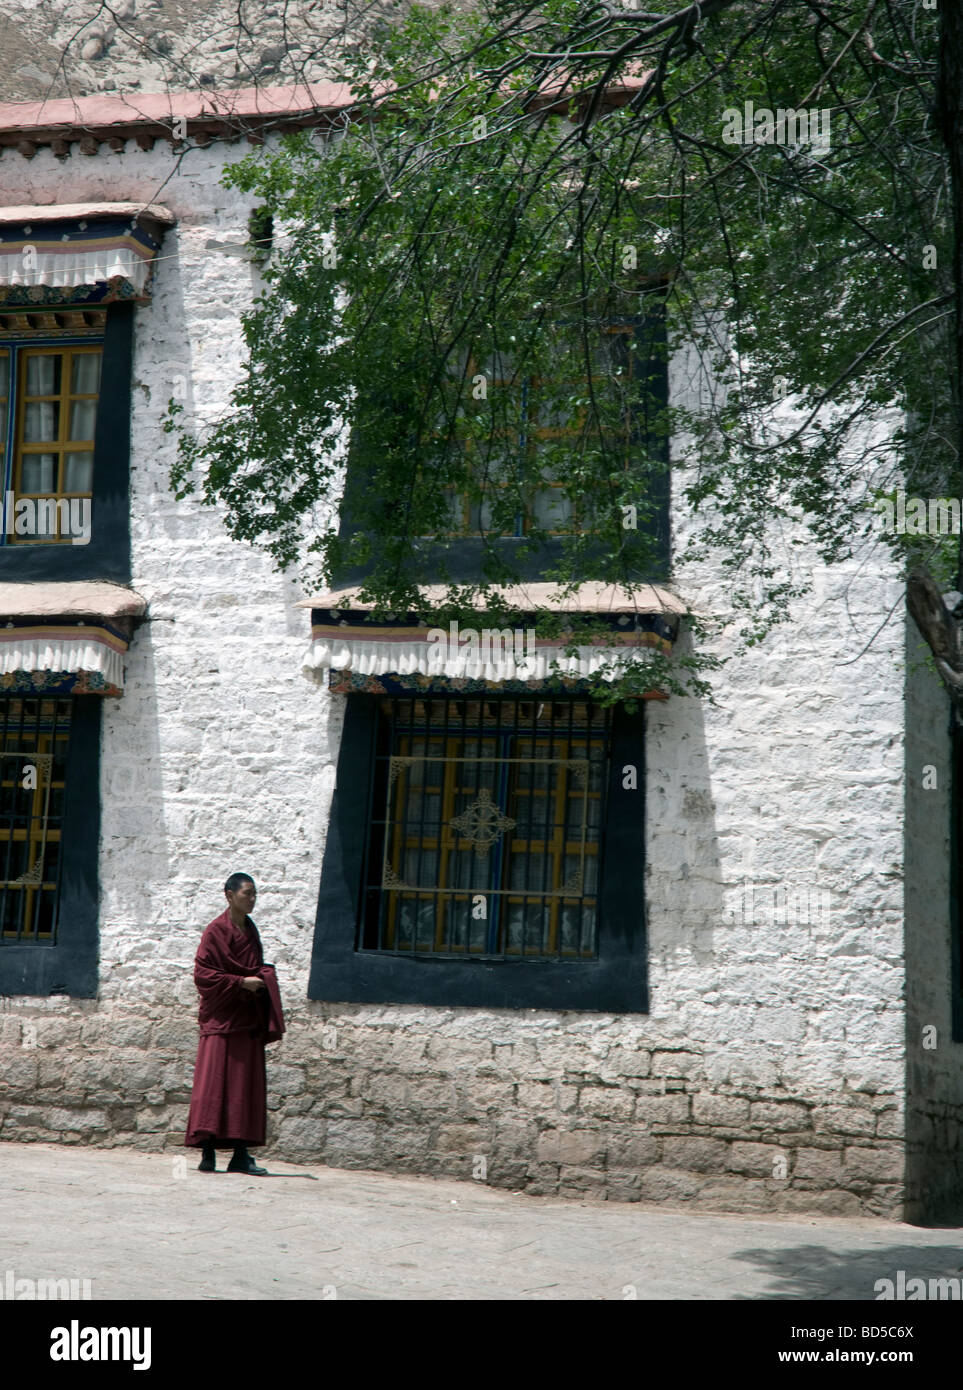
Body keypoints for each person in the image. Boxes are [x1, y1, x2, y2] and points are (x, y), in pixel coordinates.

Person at [184, 873, 284, 1175]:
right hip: (221, 1018)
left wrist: (261, 979)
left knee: (244, 1087)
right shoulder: (215, 931)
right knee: (213, 1085)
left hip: (246, 1019)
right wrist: (240, 982)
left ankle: (241, 1154)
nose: (252, 899)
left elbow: (254, 966)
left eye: (254, 894)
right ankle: (208, 1154)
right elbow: (203, 974)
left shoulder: (251, 931)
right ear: (229, 895)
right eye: (246, 894)